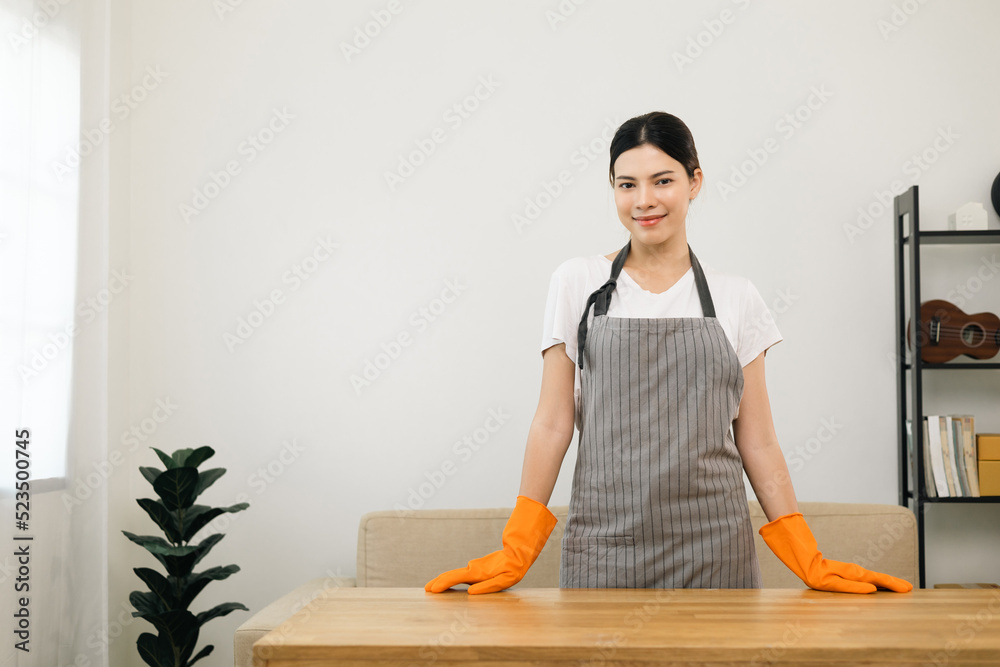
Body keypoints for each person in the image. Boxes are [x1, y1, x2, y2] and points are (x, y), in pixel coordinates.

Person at [425, 111, 913, 595]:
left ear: (694, 181)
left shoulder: (737, 297)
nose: (644, 201)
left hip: (716, 552)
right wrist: (519, 545)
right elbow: (554, 422)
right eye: (626, 184)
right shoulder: (577, 282)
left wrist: (806, 555)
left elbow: (758, 439)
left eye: (662, 180)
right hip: (603, 548)